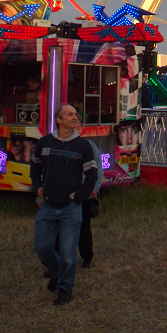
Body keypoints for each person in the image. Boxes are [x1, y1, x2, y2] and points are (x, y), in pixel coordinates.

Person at [30, 103, 97, 306]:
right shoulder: (45, 143)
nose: (74, 117)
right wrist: (38, 187)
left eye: (75, 114)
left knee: (68, 255)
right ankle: (58, 272)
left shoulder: (83, 146)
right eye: (69, 115)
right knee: (42, 247)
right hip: (48, 205)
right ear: (59, 120)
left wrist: (79, 197)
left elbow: (92, 174)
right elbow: (34, 166)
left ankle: (64, 289)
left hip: (70, 209)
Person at [73, 113, 103, 268]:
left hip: (84, 193)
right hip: (66, 194)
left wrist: (93, 189)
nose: (75, 128)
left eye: (78, 125)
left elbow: (97, 167)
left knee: (84, 226)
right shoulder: (59, 145)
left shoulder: (88, 145)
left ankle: (87, 256)